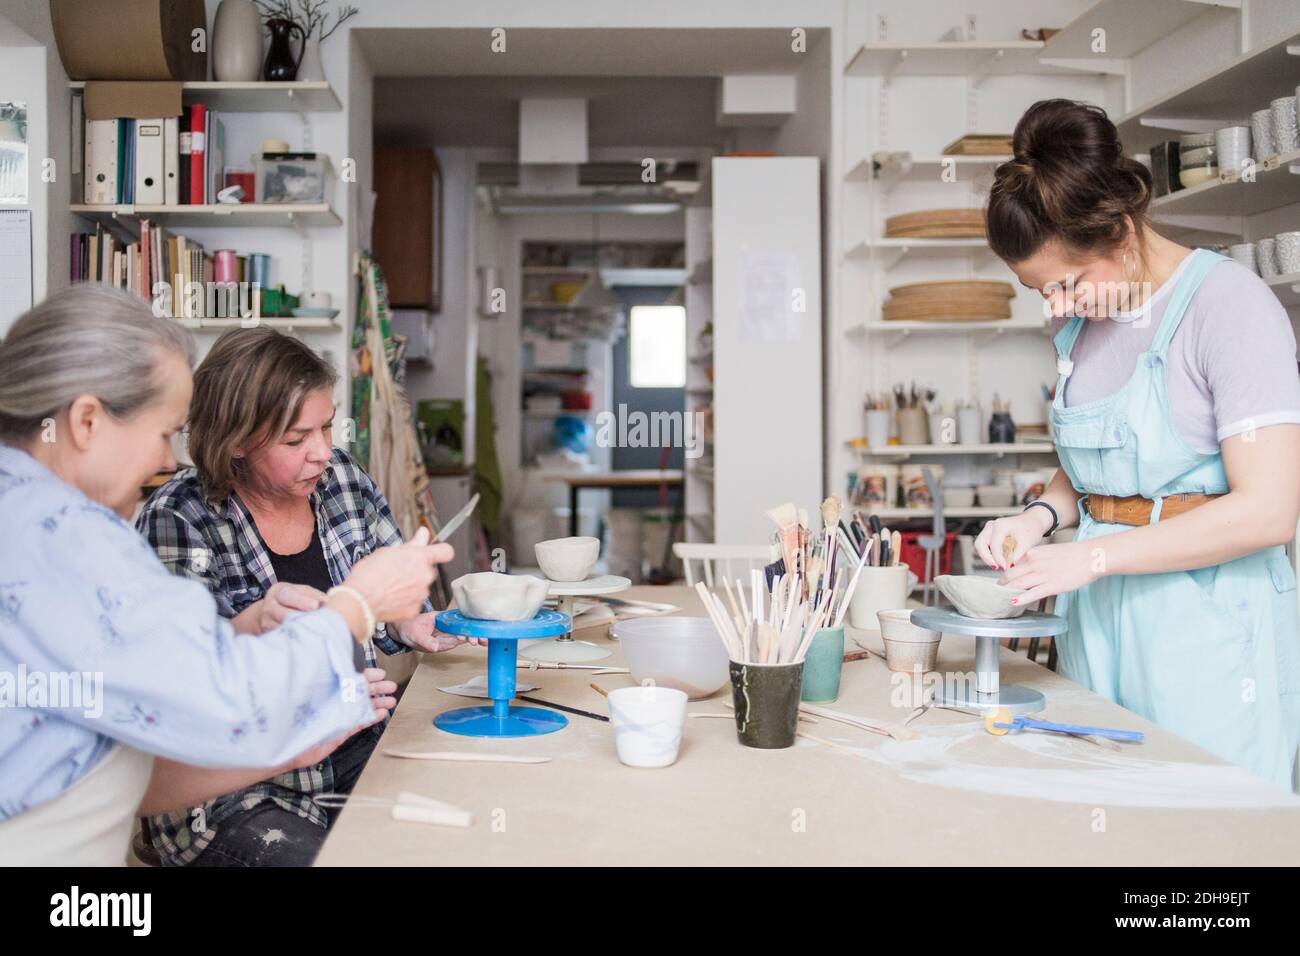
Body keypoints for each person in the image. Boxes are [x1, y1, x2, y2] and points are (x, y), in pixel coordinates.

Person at [0, 284, 452, 864]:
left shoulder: (30, 510)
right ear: (87, 421)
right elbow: (223, 702)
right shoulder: (67, 536)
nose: (168, 458)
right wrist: (356, 605)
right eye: (163, 432)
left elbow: (130, 762)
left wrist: (293, 741)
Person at [976, 99, 1300, 788]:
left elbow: (1269, 511)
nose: (1055, 307)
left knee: (1203, 831)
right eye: (1040, 292)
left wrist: (1090, 557)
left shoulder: (1229, 309)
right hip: (1098, 618)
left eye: (1065, 283)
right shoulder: (1081, 328)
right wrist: (1038, 517)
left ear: (1121, 230)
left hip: (1204, 626)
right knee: (1104, 813)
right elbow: (1102, 469)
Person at [136, 325, 476, 866]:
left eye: (326, 426)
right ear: (237, 442)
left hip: (352, 741)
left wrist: (410, 621)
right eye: (295, 440)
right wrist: (246, 624)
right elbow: (180, 689)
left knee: (463, 835)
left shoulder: (344, 480)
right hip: (233, 788)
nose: (321, 452)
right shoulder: (179, 518)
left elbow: (385, 598)